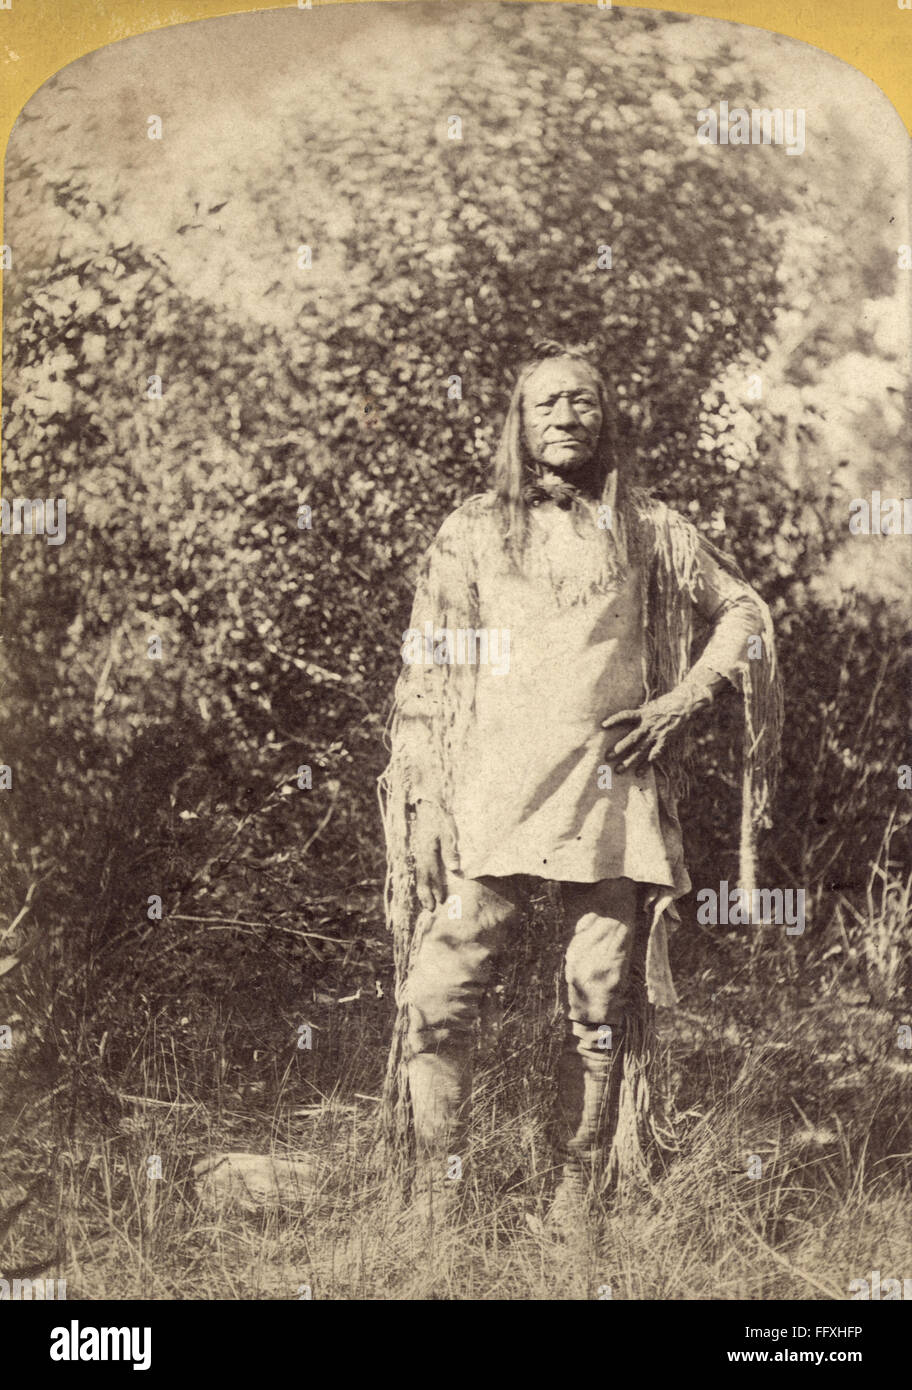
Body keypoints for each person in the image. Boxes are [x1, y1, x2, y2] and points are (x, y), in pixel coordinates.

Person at [379, 340, 782, 1233]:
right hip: (490, 791)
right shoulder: (474, 528)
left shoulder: (648, 527)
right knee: (440, 988)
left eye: (585, 403)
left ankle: (574, 1202)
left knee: (599, 997)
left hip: (611, 792)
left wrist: (682, 700)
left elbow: (745, 611)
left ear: (608, 421)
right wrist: (430, 799)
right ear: (518, 424)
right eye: (547, 404)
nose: (567, 417)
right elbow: (428, 671)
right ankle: (433, 1197)